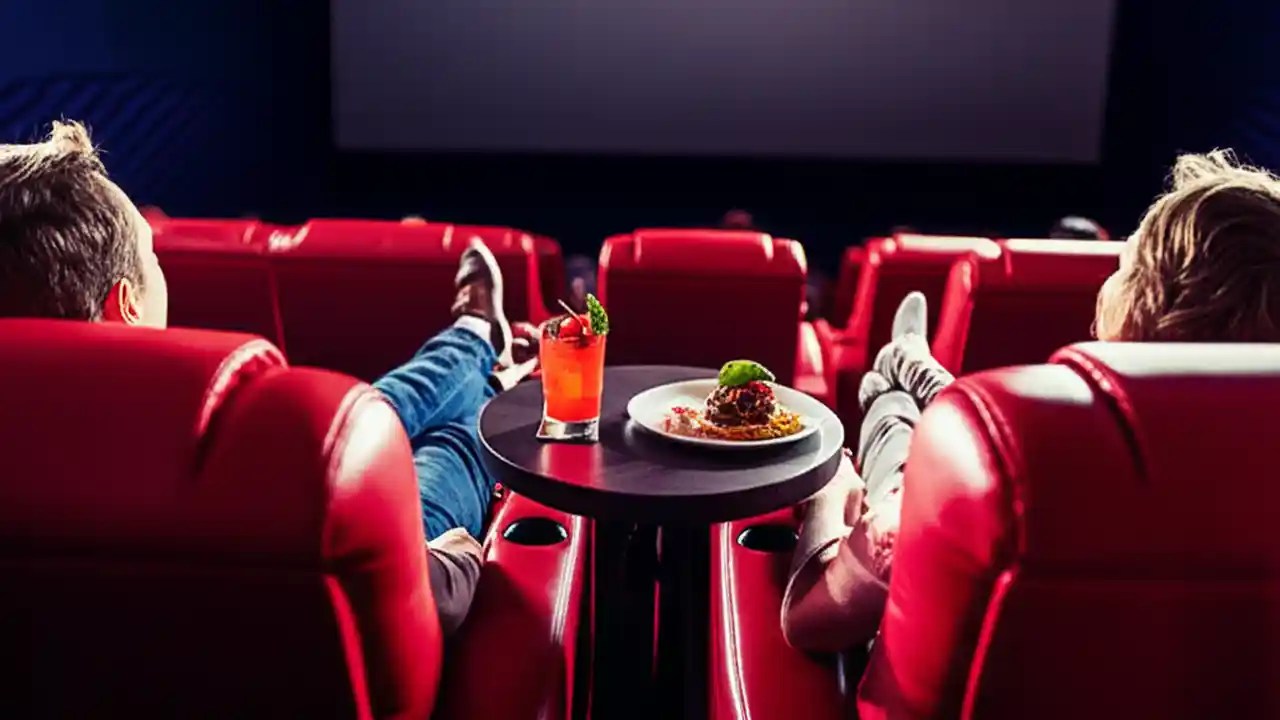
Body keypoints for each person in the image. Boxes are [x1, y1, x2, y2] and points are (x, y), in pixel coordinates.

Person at [0, 121, 534, 634]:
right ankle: (478, 350)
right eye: (153, 258)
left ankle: (476, 346)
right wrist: (457, 557)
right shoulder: (201, 469)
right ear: (126, 308)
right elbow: (430, 598)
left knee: (366, 428)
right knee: (436, 436)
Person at [784, 149, 1280, 651]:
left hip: (929, 558)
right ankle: (924, 382)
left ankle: (898, 378)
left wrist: (830, 490)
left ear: (1140, 298)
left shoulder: (1024, 466)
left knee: (895, 442)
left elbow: (812, 621)